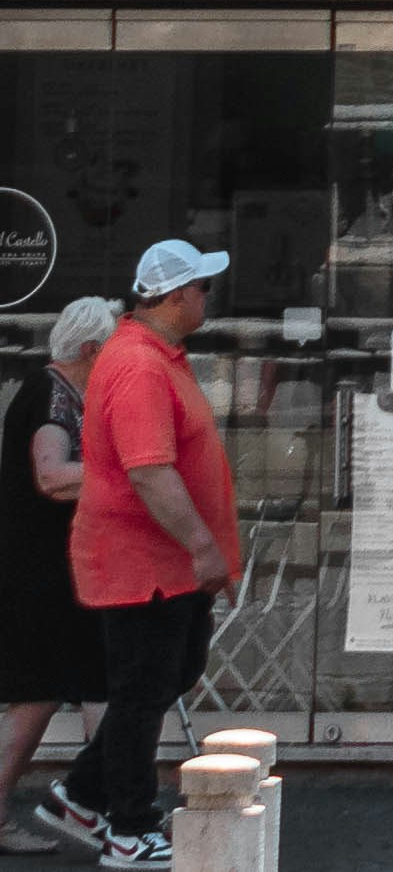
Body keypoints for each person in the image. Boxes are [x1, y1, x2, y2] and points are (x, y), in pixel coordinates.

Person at [68, 244, 235, 872]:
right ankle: (128, 828)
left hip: (158, 562)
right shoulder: (140, 365)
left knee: (169, 674)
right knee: (143, 692)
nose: (208, 298)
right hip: (145, 563)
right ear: (176, 296)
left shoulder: (154, 356)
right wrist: (202, 547)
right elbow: (150, 472)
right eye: (203, 288)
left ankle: (83, 795)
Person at [0, 301, 112, 858]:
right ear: (92, 350)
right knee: (38, 696)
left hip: (57, 569)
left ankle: (109, 803)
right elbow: (51, 473)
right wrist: (123, 475)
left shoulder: (56, 390)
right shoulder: (51, 396)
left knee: (90, 683)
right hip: (42, 572)